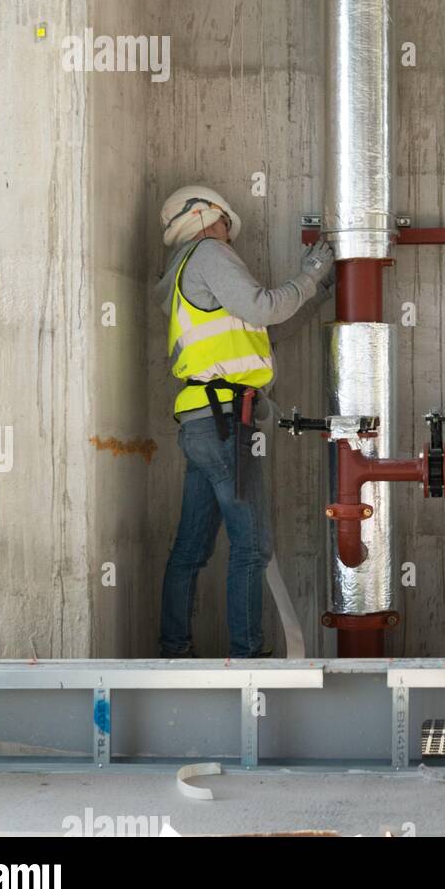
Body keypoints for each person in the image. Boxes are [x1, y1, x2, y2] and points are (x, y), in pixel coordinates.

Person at [155, 185, 333, 658]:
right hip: (226, 422)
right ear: (204, 218)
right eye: (224, 223)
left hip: (202, 421)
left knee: (191, 550)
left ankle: (174, 652)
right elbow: (263, 307)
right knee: (252, 546)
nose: (229, 234)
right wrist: (310, 275)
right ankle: (248, 657)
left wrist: (317, 290)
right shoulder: (209, 253)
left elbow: (264, 328)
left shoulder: (183, 271)